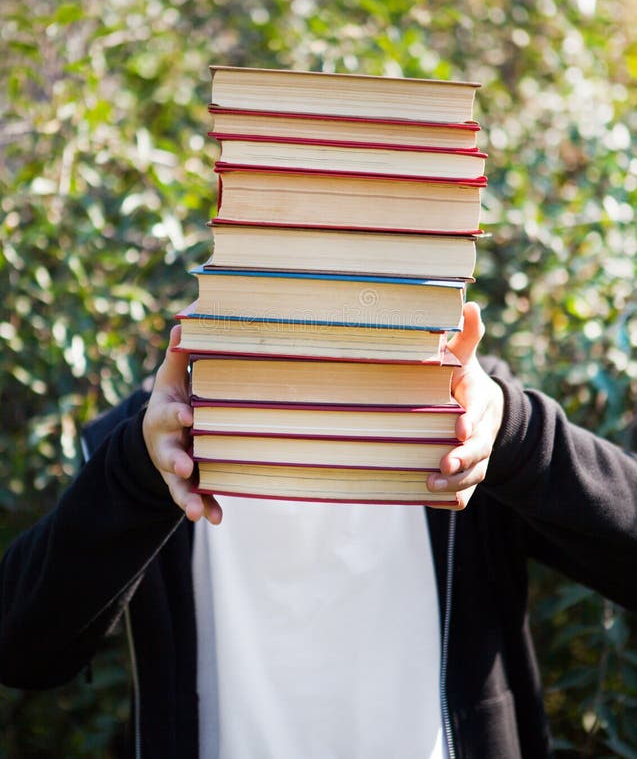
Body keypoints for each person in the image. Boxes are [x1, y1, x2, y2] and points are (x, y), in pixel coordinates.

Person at [1, 303, 636, 759]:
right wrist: (138, 475)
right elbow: (23, 646)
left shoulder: (465, 420)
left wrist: (519, 436)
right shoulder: (160, 439)